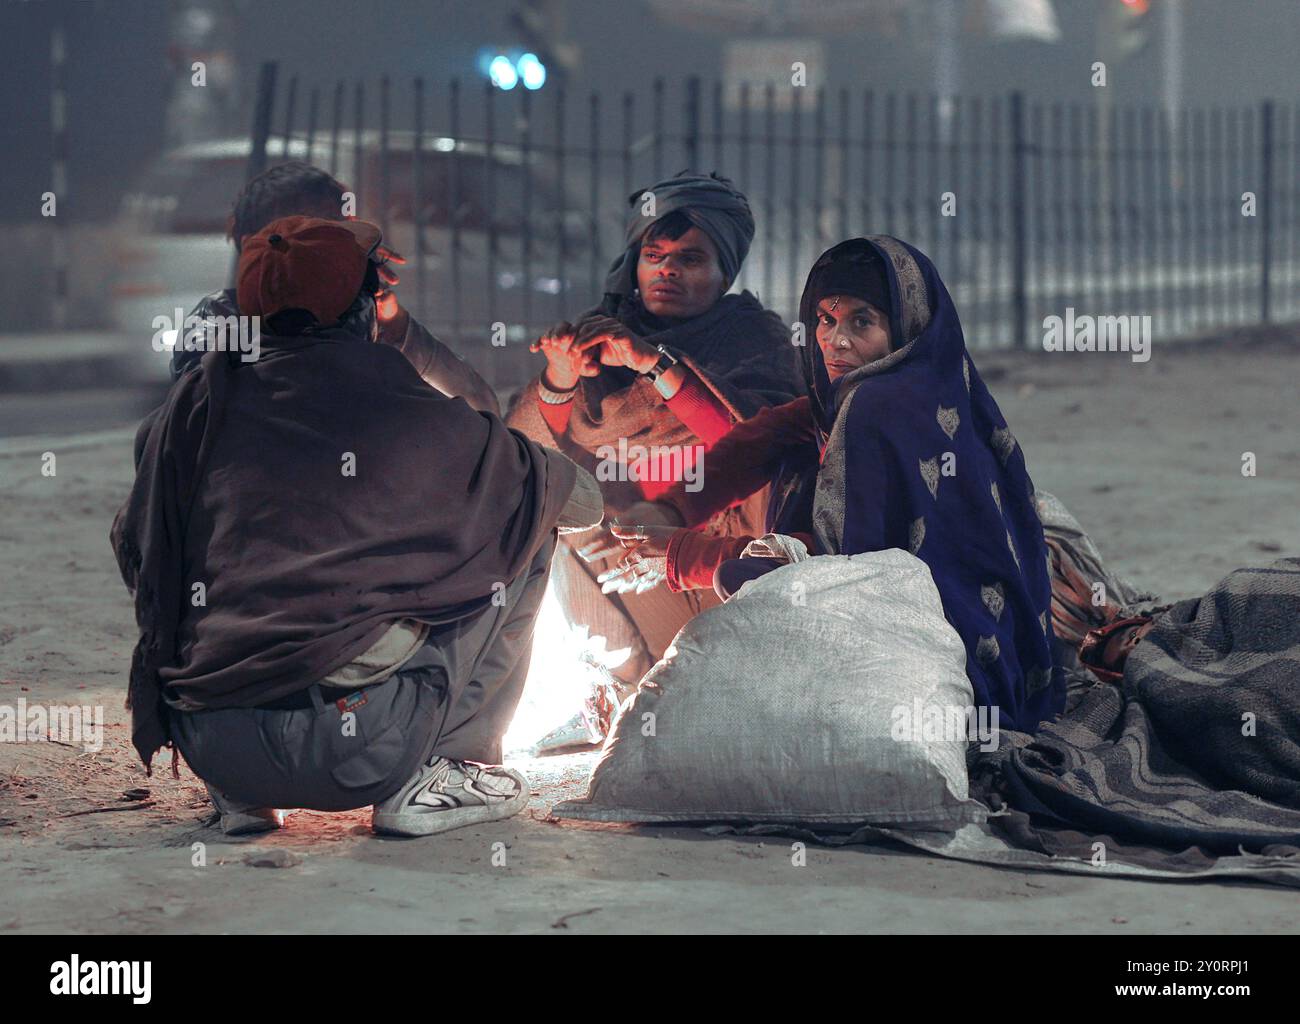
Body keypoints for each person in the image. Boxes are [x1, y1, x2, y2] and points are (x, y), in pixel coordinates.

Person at [111, 215, 602, 837]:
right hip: (359, 747)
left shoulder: (188, 409)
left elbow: (139, 554)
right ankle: (446, 768)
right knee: (530, 508)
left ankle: (242, 800)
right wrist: (404, 335)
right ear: (368, 310)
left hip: (213, 742)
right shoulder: (391, 399)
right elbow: (581, 501)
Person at [605, 236, 1064, 734]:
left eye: (861, 321)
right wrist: (672, 512)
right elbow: (763, 437)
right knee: (792, 467)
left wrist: (682, 555)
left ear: (907, 323)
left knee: (745, 581)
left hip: (948, 661)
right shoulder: (925, 382)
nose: (835, 340)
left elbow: (842, 563)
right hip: (1010, 661)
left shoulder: (877, 405)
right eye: (825, 319)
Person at [506, 171, 801, 733]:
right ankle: (620, 694)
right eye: (654, 254)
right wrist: (560, 378)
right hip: (630, 578)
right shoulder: (602, 338)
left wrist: (656, 366)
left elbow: (754, 446)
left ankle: (686, 696)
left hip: (722, 579)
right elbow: (523, 453)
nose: (666, 269)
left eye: (690, 259)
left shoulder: (753, 340)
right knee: (552, 507)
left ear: (723, 274)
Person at [171, 160, 499, 415]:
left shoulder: (365, 318)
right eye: (314, 237)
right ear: (251, 246)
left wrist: (395, 326)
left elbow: (479, 405)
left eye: (341, 236)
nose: (337, 248)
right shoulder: (218, 323)